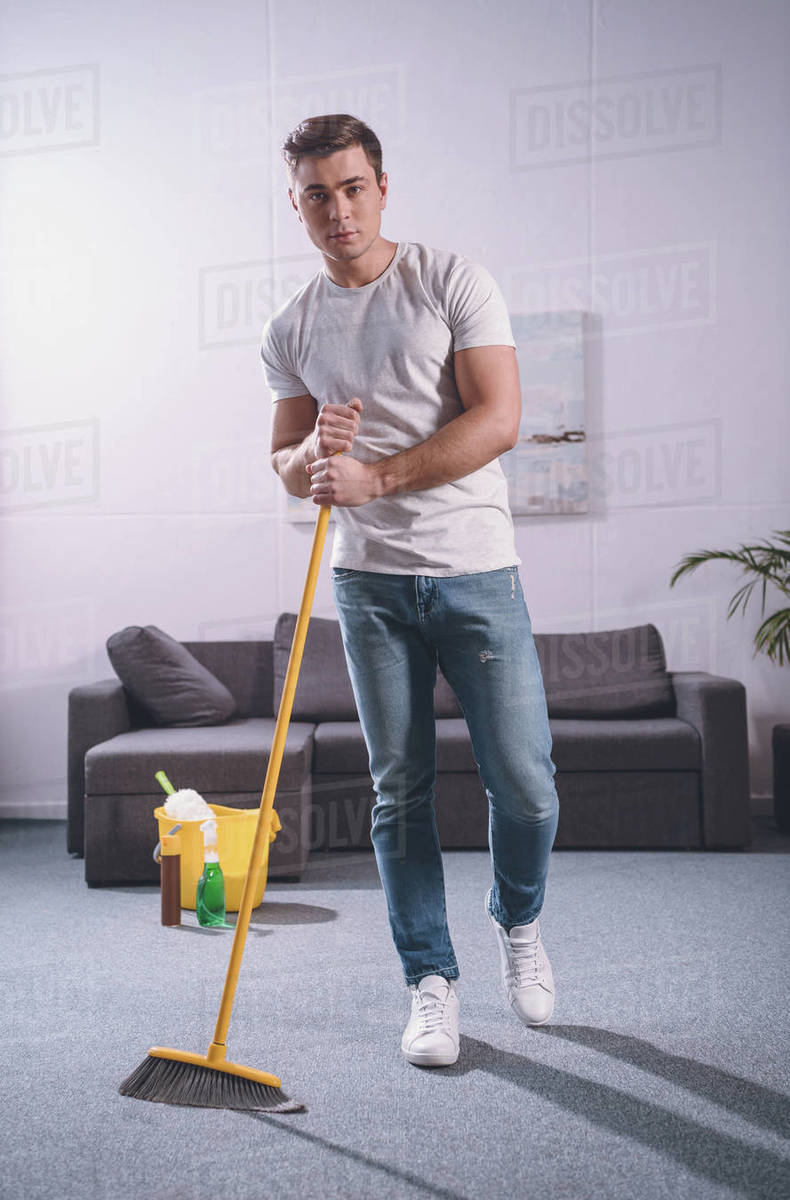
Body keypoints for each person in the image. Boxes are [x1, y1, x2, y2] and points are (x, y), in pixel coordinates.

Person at [261, 113, 560, 1069]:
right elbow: (283, 456)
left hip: (475, 570)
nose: (338, 209)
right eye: (317, 194)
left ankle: (516, 920)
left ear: (382, 187)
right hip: (370, 587)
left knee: (527, 788)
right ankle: (430, 981)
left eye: (352, 187)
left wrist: (377, 477)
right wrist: (311, 455)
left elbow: (502, 419)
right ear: (297, 205)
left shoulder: (453, 281)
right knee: (400, 794)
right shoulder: (293, 326)